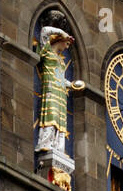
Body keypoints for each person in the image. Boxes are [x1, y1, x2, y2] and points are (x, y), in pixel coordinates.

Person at [35, 25, 85, 156]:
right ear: (60, 40)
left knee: (60, 119)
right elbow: (44, 31)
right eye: (66, 43)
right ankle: (45, 143)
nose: (67, 47)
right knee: (51, 115)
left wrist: (72, 84)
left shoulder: (61, 62)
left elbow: (61, 78)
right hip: (51, 88)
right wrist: (63, 32)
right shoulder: (47, 52)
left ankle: (58, 147)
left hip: (61, 92)